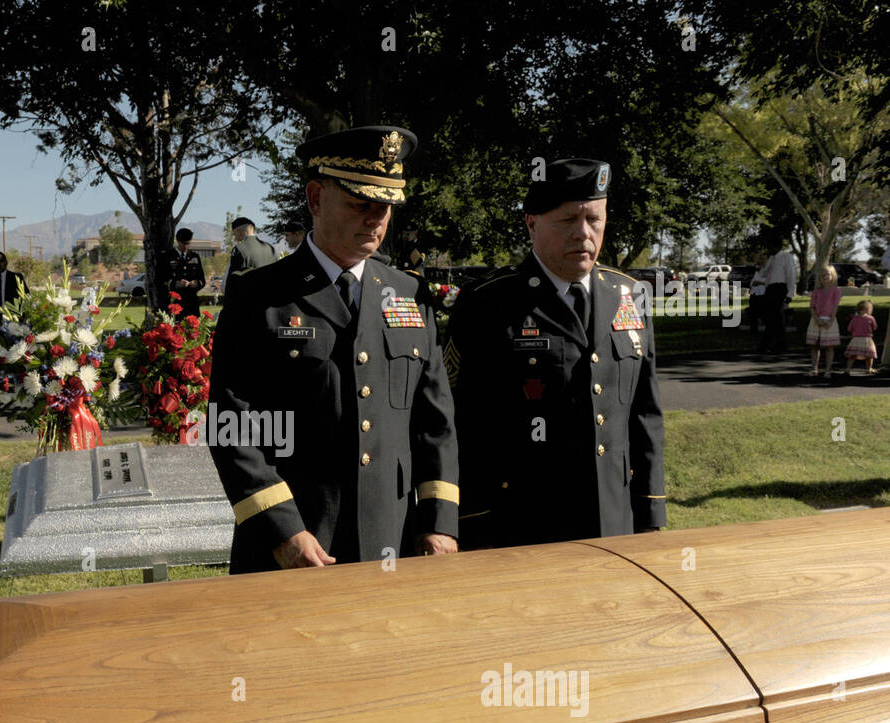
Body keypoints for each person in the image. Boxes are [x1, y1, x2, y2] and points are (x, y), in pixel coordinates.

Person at [208, 125, 460, 574]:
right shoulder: (260, 296)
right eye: (361, 204)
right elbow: (232, 424)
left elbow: (434, 422)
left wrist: (439, 521)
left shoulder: (408, 293)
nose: (376, 219)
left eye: (386, 207)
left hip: (394, 537)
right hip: (294, 544)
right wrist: (282, 530)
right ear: (316, 198)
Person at [441, 157, 666, 550]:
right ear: (532, 223)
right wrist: (465, 519)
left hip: (614, 518)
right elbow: (458, 421)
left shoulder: (628, 296)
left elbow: (645, 415)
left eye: (594, 220)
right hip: (521, 522)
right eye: (568, 220)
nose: (584, 234)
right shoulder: (488, 303)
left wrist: (650, 513)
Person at [758, 240, 797, 354]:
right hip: (770, 289)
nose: (768, 249)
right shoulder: (771, 258)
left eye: (770, 247)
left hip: (780, 288)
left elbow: (791, 274)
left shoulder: (786, 257)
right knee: (773, 317)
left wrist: (790, 293)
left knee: (775, 316)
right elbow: (763, 274)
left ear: (777, 246)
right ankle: (779, 344)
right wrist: (762, 263)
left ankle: (767, 344)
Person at [223, 216, 277, 291]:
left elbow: (233, 280)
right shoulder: (270, 248)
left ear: (240, 232)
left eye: (234, 233)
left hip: (249, 298)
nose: (235, 237)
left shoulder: (239, 249)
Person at [806, 265, 841, 378]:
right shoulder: (817, 291)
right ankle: (814, 368)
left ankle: (827, 370)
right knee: (814, 346)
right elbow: (812, 307)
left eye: (828, 274)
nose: (825, 277)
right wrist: (816, 319)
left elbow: (835, 307)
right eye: (823, 275)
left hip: (829, 321)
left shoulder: (836, 291)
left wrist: (830, 321)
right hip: (816, 320)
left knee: (829, 347)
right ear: (820, 278)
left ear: (833, 276)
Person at [163, 228, 206, 318]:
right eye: (184, 243)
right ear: (178, 241)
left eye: (188, 243)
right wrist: (175, 284)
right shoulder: (168, 256)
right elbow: (162, 279)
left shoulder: (195, 256)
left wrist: (196, 283)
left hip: (192, 304)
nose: (186, 246)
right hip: (175, 304)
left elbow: (202, 280)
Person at [845, 299, 877, 374]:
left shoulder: (854, 319)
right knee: (869, 355)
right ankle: (869, 368)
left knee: (852, 355)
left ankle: (848, 369)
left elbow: (849, 329)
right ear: (867, 309)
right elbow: (875, 327)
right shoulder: (871, 318)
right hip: (867, 339)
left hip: (856, 339)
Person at [747, 251, 769, 336]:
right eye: (761, 258)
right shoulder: (757, 270)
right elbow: (752, 283)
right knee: (753, 315)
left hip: (763, 295)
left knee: (764, 314)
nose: (762, 260)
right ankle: (753, 332)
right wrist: (756, 283)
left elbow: (769, 282)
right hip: (754, 294)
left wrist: (759, 282)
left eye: (764, 259)